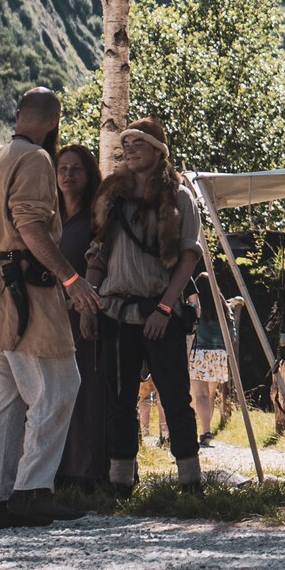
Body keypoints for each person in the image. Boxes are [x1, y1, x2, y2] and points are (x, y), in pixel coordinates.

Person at [0, 88, 101, 530]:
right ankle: (32, 492)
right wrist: (72, 280)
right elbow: (30, 226)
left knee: (7, 399)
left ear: (19, 116)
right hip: (23, 290)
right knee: (59, 388)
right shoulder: (36, 160)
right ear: (56, 122)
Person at [88, 119, 206, 492]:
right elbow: (99, 253)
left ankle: (190, 482)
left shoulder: (179, 198)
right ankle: (120, 483)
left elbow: (188, 258)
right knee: (119, 401)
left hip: (160, 310)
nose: (130, 148)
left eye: (139, 143)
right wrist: (88, 303)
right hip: (116, 311)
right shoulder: (112, 197)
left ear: (158, 150)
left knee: (175, 397)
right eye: (126, 143)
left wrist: (165, 309)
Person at [53, 144, 107, 492]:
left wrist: (88, 309)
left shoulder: (95, 219)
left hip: (82, 317)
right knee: (54, 395)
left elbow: (97, 264)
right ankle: (56, 470)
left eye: (76, 169)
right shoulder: (48, 218)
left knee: (87, 393)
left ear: (89, 176)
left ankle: (87, 472)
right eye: (63, 168)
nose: (68, 175)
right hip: (50, 319)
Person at [187, 288, 231, 450]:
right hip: (219, 354)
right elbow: (231, 334)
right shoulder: (224, 309)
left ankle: (205, 432)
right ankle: (207, 430)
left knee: (200, 395)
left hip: (200, 353)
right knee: (210, 395)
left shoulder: (197, 308)